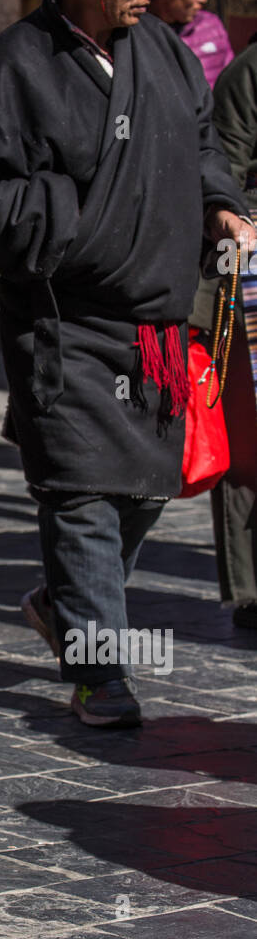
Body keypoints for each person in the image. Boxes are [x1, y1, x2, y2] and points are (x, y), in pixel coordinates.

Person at [0, 0, 253, 728]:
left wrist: (222, 206)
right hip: (66, 324)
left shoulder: (161, 52)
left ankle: (63, 604)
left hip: (157, 325)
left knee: (146, 490)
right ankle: (101, 672)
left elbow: (200, 143)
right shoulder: (15, 65)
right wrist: (77, 211)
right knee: (82, 494)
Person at [201, 47, 257, 627]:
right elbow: (226, 172)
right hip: (255, 264)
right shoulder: (250, 72)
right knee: (250, 436)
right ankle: (251, 586)